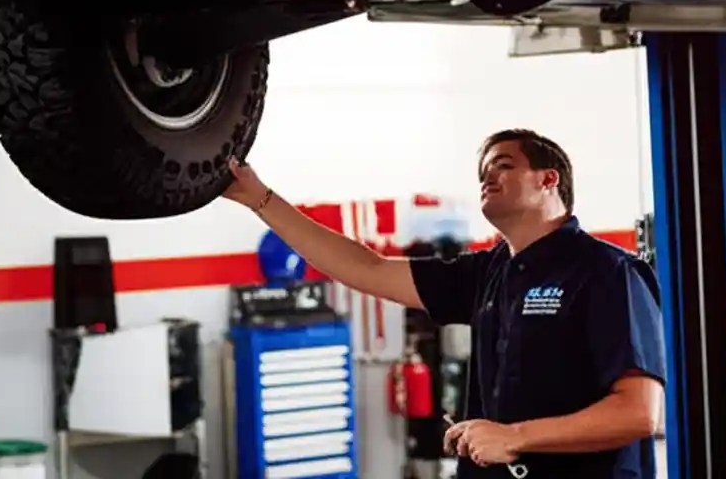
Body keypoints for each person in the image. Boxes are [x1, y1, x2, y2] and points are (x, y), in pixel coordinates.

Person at [222, 128, 667, 478]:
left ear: (548, 179)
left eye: (503, 165)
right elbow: (367, 269)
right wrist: (260, 200)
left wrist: (514, 437)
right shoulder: (487, 273)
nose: (487, 177)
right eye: (483, 173)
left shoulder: (606, 272)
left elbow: (637, 413)